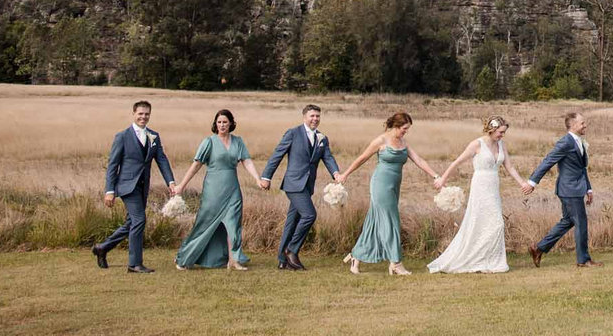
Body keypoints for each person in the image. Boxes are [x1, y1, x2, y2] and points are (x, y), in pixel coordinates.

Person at [336, 110, 440, 276]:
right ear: (396, 126)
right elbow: (362, 158)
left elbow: (419, 160)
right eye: (404, 128)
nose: (406, 131)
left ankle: (356, 256)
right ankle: (396, 263)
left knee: (375, 221)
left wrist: (435, 175)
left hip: (394, 185)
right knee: (391, 220)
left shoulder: (403, 142)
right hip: (380, 184)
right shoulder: (381, 140)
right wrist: (345, 174)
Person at [426, 115, 532, 273]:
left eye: (504, 133)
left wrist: (522, 183)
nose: (502, 135)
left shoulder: (502, 145)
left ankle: (489, 261)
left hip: (493, 186)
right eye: (501, 132)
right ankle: (476, 259)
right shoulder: (477, 144)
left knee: (494, 224)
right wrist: (442, 179)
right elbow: (457, 162)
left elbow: (509, 167)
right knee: (486, 222)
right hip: (480, 185)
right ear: (492, 129)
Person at [93, 99, 179, 274]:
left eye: (146, 114)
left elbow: (161, 159)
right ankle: (134, 264)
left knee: (132, 222)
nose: (143, 117)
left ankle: (102, 248)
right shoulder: (122, 136)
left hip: (142, 186)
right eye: (140, 113)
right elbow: (112, 165)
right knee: (139, 220)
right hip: (126, 186)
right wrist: (109, 191)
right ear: (133, 114)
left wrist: (170, 181)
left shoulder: (153, 136)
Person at [173, 109, 264, 270]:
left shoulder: (238, 141)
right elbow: (196, 165)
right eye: (219, 122)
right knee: (205, 224)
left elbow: (246, 161)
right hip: (213, 189)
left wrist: (257, 179)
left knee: (233, 223)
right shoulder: (209, 142)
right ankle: (185, 257)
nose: (222, 125)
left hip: (232, 187)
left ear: (231, 123)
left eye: (225, 122)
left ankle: (233, 260)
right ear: (216, 124)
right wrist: (181, 185)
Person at [260, 103, 341, 271]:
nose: (315, 119)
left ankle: (283, 259)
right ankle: (292, 250)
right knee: (310, 215)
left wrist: (336, 174)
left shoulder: (322, 138)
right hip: (293, 183)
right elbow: (277, 154)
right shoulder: (293, 133)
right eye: (312, 116)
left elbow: (328, 158)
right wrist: (266, 177)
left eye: (317, 116)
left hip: (307, 185)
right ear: (304, 117)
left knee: (292, 221)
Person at [525, 110, 598, 268]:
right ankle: (583, 260)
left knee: (568, 221)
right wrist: (532, 182)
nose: (586, 125)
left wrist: (589, 189)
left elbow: (582, 168)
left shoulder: (579, 141)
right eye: (582, 123)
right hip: (570, 189)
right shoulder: (565, 142)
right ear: (572, 125)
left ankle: (539, 248)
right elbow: (548, 161)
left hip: (576, 188)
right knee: (581, 222)